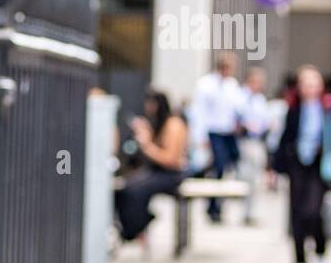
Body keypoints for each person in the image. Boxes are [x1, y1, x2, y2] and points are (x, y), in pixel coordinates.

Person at [271, 65, 331, 263]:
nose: (310, 88)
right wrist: (274, 167)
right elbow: (285, 137)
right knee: (297, 212)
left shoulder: (329, 107)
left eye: (314, 83)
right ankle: (299, 260)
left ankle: (320, 252)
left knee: (313, 212)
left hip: (320, 164)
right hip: (298, 163)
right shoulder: (294, 109)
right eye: (306, 84)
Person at [115, 87, 189, 244]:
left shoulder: (173, 125)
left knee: (135, 190)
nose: (148, 109)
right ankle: (134, 225)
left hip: (171, 174)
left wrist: (146, 144)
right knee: (123, 187)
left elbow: (169, 159)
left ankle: (138, 225)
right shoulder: (159, 123)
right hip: (157, 171)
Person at [190, 51, 244, 223]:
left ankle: (217, 204)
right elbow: (199, 113)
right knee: (218, 167)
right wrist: (200, 137)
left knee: (228, 166)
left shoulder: (232, 85)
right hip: (213, 133)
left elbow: (237, 109)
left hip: (227, 133)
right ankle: (213, 206)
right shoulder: (206, 84)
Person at [236, 67, 270, 225]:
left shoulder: (260, 100)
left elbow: (265, 121)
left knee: (256, 179)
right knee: (244, 177)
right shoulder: (241, 96)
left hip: (258, 142)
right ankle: (243, 211)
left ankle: (250, 211)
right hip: (244, 141)